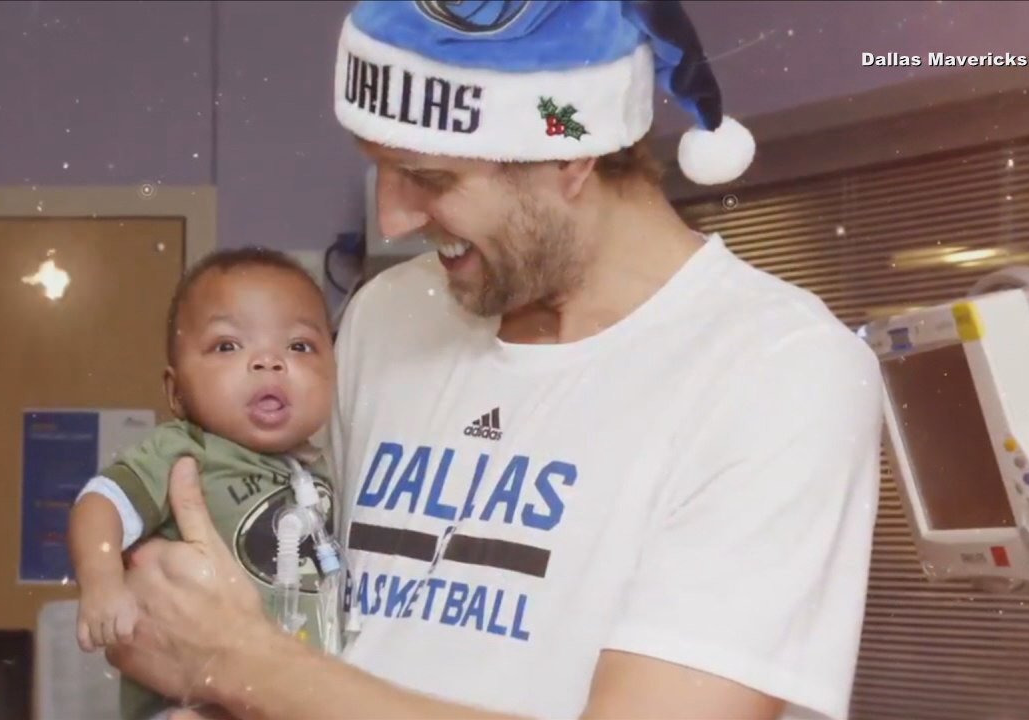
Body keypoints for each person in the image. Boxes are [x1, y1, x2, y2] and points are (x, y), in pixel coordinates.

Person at [106, 2, 887, 719]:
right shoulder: (389, 316)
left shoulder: (777, 369)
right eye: (380, 165)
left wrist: (242, 663)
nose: (393, 215)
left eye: (430, 177)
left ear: (569, 155)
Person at [67, 247, 338, 720]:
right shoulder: (184, 449)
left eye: (298, 346)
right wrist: (102, 580)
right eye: (228, 346)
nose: (268, 362)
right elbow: (100, 501)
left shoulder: (326, 472)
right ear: (176, 392)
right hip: (187, 698)